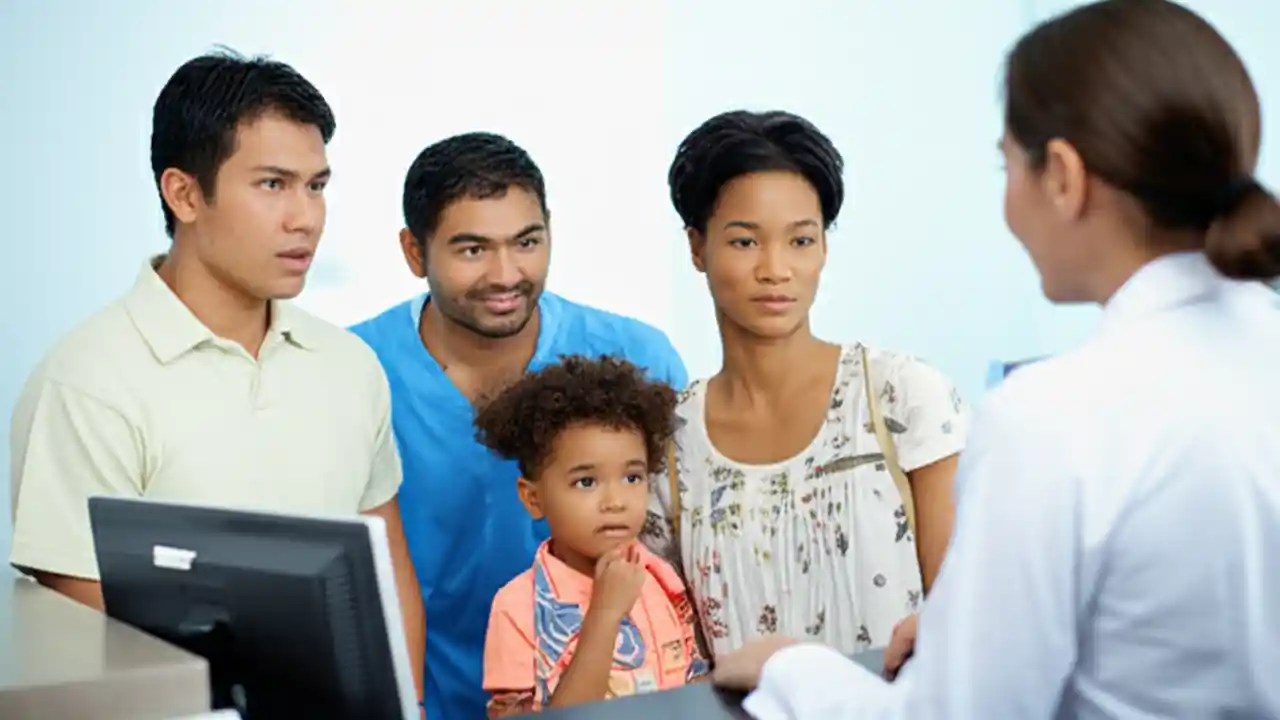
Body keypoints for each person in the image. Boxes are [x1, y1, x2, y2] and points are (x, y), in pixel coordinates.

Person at [712, 1, 1280, 717]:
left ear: (1064, 178)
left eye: (1006, 164)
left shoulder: (1052, 419)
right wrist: (970, 631)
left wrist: (794, 667)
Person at [7, 50, 425, 703]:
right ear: (184, 193)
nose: (306, 217)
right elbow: (82, 641)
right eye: (272, 184)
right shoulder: (88, 382)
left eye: (316, 186)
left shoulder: (348, 365)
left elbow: (388, 577)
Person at [349, 132, 687, 720]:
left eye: (527, 242)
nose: (507, 274)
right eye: (472, 249)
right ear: (413, 251)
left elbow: (683, 554)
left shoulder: (636, 357)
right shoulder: (354, 371)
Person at [640, 109, 968, 665]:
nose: (776, 269)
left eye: (801, 240)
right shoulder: (668, 444)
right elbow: (671, 657)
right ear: (697, 247)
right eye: (745, 243)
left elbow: (968, 615)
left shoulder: (899, 396)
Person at [472, 355, 709, 717]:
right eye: (586, 482)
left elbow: (689, 691)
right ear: (533, 498)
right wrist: (606, 612)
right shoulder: (517, 606)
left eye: (632, 477)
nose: (615, 502)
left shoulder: (661, 580)